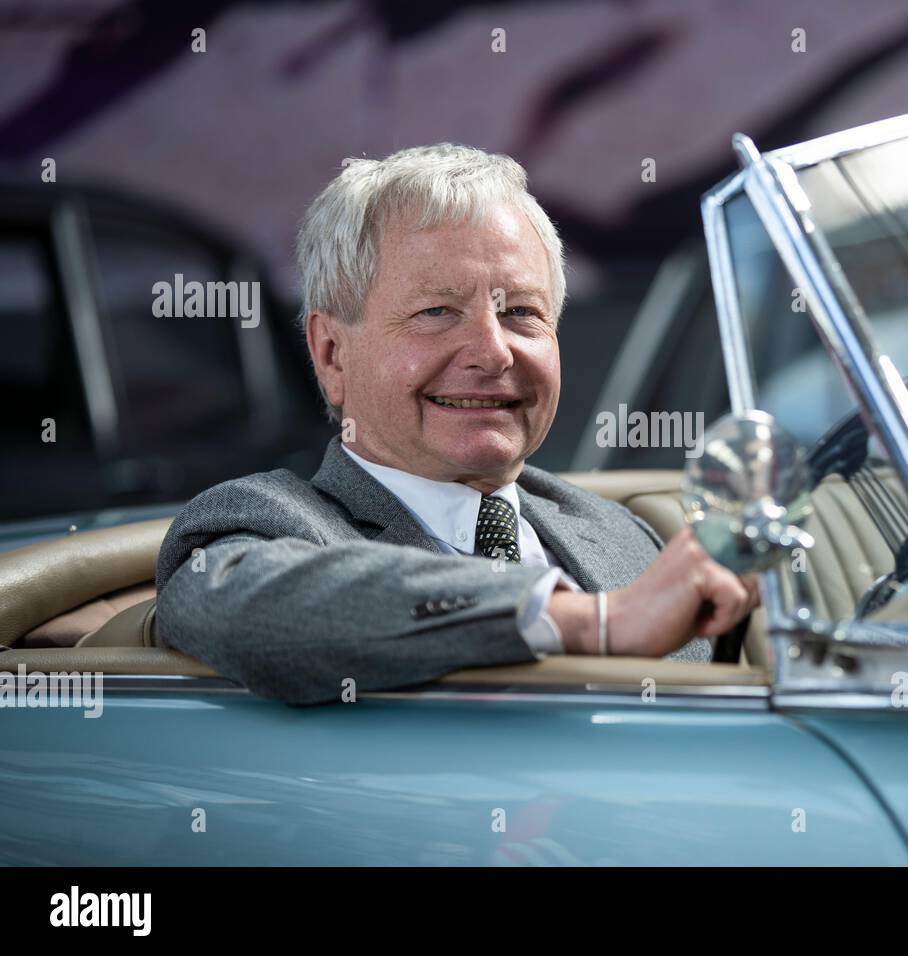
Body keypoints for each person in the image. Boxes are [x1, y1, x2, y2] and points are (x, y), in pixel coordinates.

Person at [154, 144, 758, 705]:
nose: (494, 353)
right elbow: (244, 605)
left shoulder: (621, 535)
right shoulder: (263, 525)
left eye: (521, 311)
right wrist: (592, 623)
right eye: (437, 312)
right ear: (332, 354)